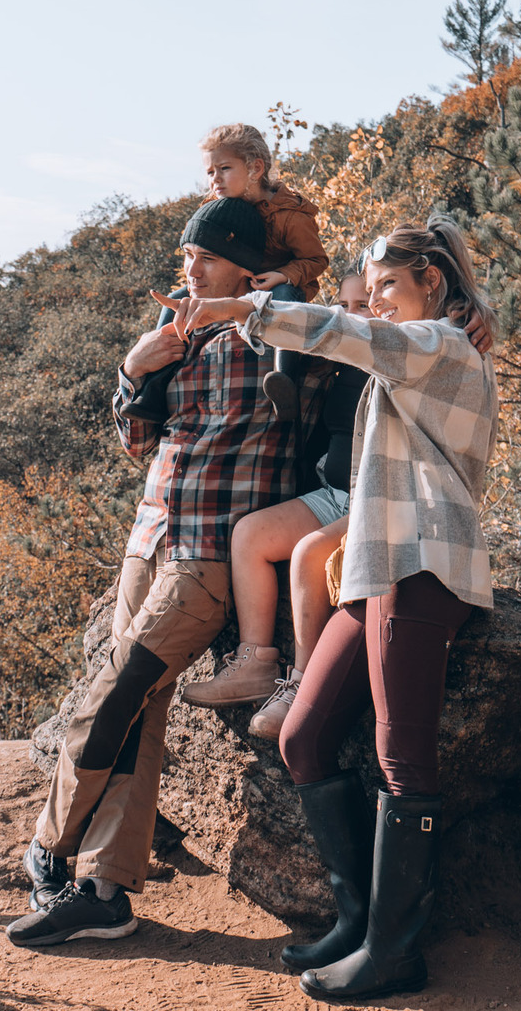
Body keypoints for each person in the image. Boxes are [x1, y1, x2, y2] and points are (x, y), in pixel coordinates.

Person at [155, 216, 499, 1003]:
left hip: (423, 565)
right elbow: (353, 339)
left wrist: (240, 308)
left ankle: (394, 952)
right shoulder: (423, 346)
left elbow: (345, 333)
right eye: (369, 289)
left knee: (402, 758)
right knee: (304, 736)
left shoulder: (442, 345)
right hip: (377, 568)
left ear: (433, 284)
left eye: (389, 286)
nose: (375, 302)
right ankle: (356, 922)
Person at [5, 197, 323, 949]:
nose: (191, 271)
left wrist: (271, 294)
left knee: (114, 695)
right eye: (187, 257)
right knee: (141, 708)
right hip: (147, 540)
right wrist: (132, 369)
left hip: (206, 557)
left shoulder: (279, 328)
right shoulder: (177, 330)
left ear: (245, 266)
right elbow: (138, 440)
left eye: (206, 258)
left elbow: (334, 331)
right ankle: (103, 892)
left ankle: (49, 845)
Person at [177, 272, 371, 735]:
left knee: (308, 554)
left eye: (363, 304)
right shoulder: (339, 357)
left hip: (377, 501)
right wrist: (285, 280)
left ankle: (302, 686)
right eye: (343, 304)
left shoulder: (397, 353)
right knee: (250, 534)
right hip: (334, 494)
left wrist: (470, 317)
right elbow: (298, 321)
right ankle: (256, 662)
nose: (350, 314)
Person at [125, 124, 329, 425]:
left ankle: (284, 376)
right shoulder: (216, 206)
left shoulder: (290, 215)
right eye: (210, 172)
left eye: (224, 169)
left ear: (255, 168)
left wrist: (283, 274)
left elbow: (316, 259)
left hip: (277, 285)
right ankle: (152, 390)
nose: (215, 179)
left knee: (285, 300)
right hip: (236, 286)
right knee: (177, 300)